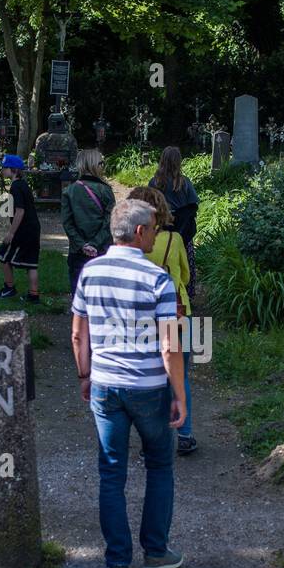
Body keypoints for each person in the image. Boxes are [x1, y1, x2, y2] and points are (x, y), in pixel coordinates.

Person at [72, 199, 187, 568]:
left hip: (105, 385)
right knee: (159, 466)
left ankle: (117, 564)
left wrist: (85, 375)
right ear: (139, 232)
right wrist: (179, 395)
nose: (156, 234)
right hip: (149, 388)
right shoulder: (158, 279)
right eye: (154, 228)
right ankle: (156, 554)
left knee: (111, 473)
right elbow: (169, 346)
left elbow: (78, 334)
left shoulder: (90, 272)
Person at [128, 185, 197, 456]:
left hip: (145, 315)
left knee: (151, 378)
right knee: (182, 374)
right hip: (181, 313)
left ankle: (153, 437)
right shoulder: (175, 240)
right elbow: (187, 276)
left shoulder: (134, 242)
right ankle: (186, 433)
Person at [61, 148, 114, 297]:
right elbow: (110, 222)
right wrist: (95, 244)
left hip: (77, 251)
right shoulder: (106, 191)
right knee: (101, 296)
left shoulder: (69, 191)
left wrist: (83, 245)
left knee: (79, 297)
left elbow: (67, 223)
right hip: (102, 250)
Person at [0, 154, 40, 303]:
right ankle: (33, 295)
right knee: (31, 263)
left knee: (2, 256)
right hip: (33, 229)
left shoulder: (16, 187)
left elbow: (20, 211)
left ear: (13, 170)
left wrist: (11, 233)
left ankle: (9, 288)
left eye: (4, 168)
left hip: (23, 231)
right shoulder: (23, 185)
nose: (2, 170)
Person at [149, 145, 199, 291]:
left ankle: (160, 289)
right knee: (186, 262)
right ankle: (186, 292)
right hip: (183, 231)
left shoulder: (154, 183)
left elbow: (149, 206)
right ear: (179, 162)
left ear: (162, 161)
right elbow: (193, 206)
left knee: (161, 258)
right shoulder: (185, 182)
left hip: (161, 230)